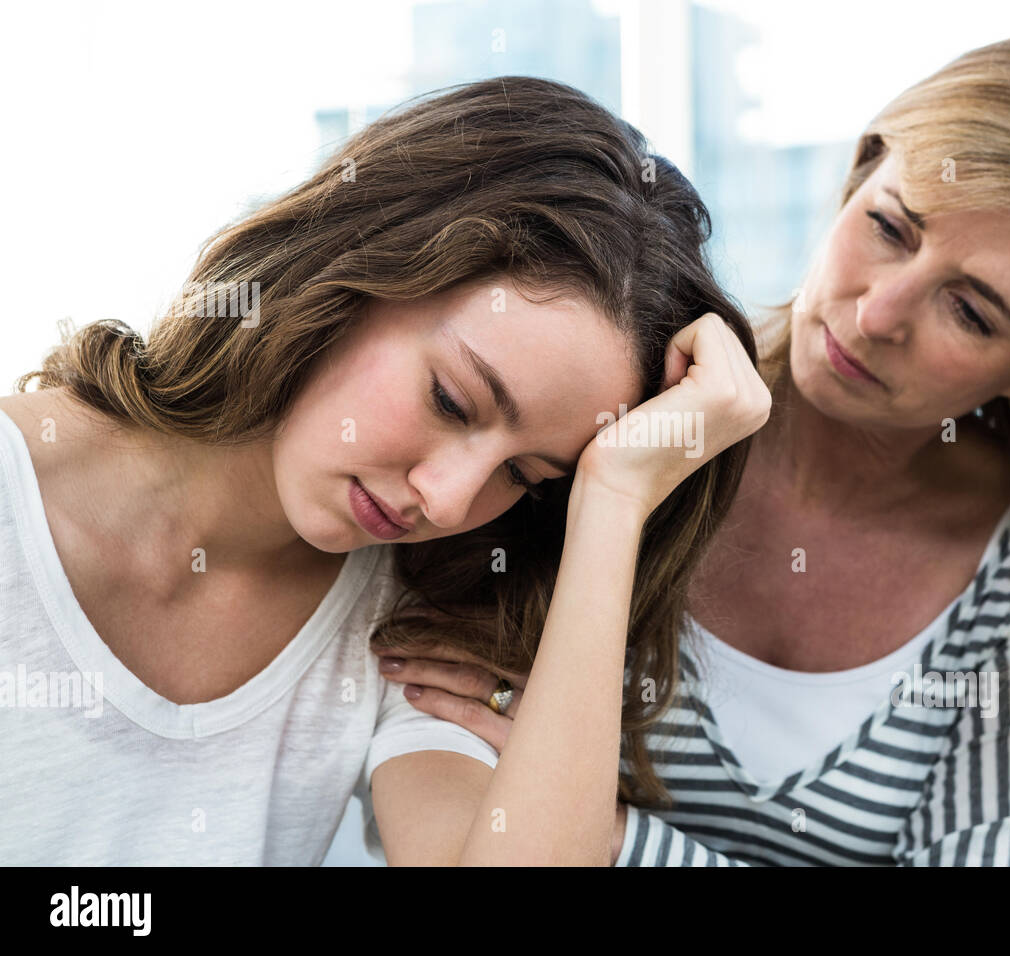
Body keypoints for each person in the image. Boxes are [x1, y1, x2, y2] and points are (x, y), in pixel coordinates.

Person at [383, 31, 1010, 865]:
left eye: (972, 311)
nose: (876, 313)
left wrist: (608, 838)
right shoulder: (620, 412)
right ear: (861, 173)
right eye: (892, 228)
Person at [0, 76, 768, 865]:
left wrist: (614, 498)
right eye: (451, 399)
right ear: (356, 265)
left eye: (528, 477)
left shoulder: (408, 629)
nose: (446, 497)